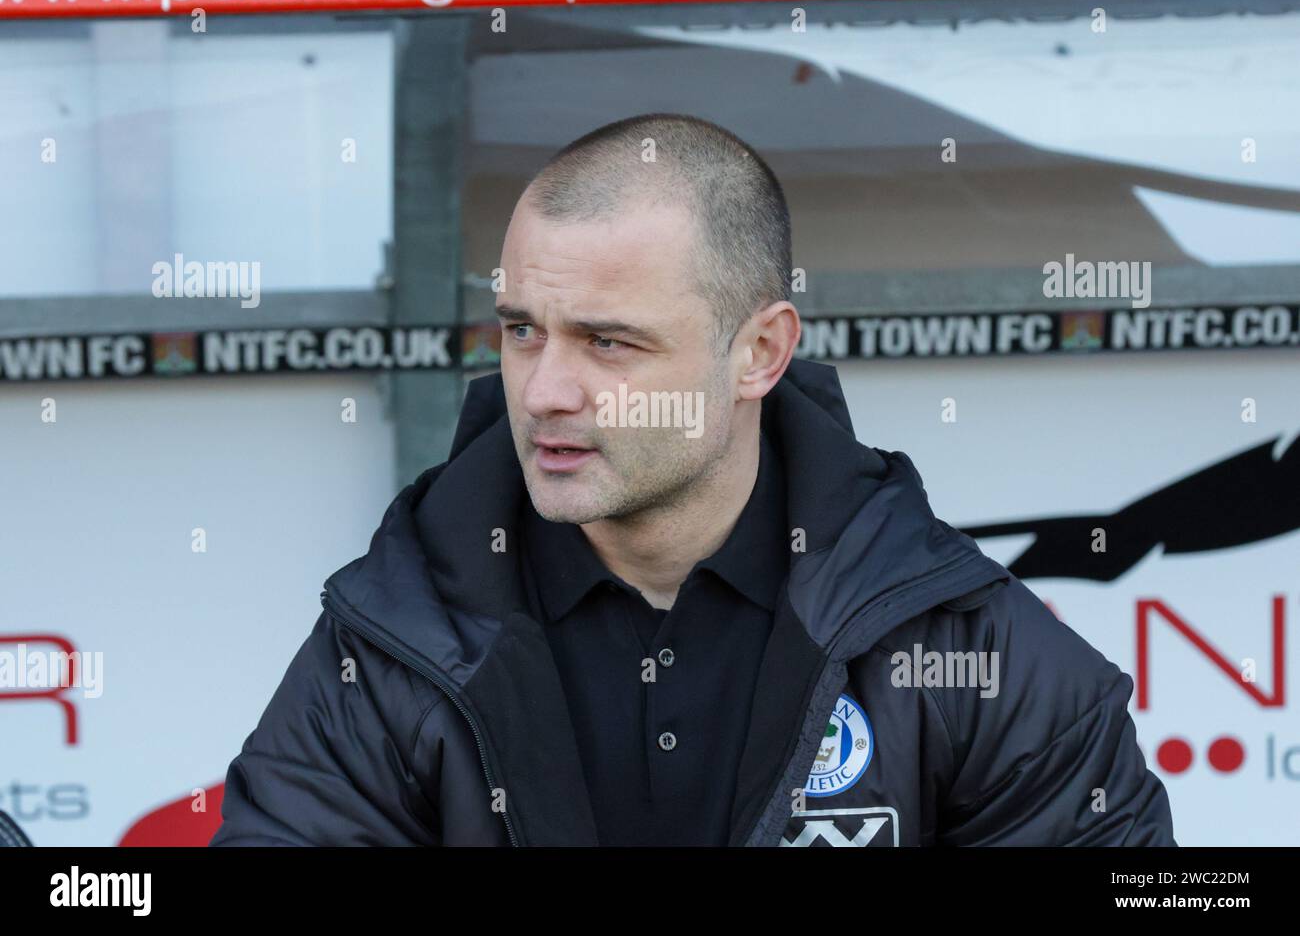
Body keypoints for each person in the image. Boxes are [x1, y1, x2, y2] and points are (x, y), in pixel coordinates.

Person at [210, 113, 1176, 847]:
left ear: (759, 353)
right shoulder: (392, 643)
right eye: (521, 331)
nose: (543, 392)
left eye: (608, 342)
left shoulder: (965, 651)